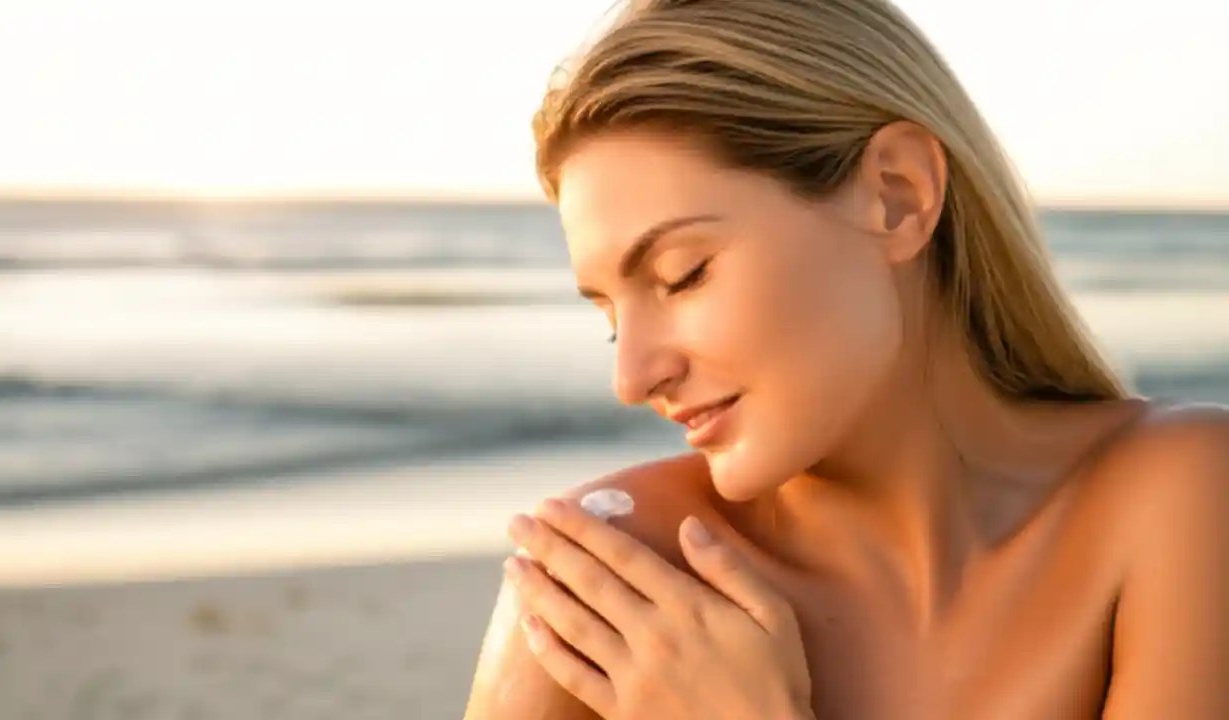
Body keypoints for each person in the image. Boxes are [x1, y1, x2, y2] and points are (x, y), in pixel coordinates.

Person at [463, 0, 1229, 718]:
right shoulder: (611, 586)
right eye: (608, 316)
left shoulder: (1180, 495)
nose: (631, 378)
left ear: (897, 195)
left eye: (682, 275)